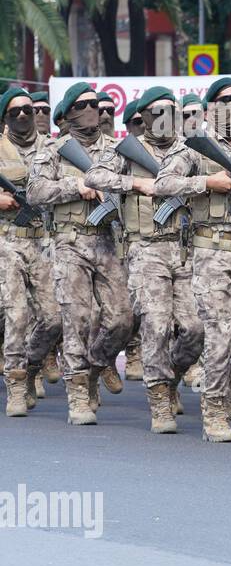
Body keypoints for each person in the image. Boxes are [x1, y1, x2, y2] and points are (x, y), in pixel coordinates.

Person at [153, 76, 231, 442]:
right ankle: (214, 412)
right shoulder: (193, 147)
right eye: (225, 99)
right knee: (219, 333)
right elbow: (162, 185)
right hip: (212, 251)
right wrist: (206, 184)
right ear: (209, 108)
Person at [84, 87, 204, 434]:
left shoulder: (189, 150)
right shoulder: (129, 151)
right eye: (158, 111)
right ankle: (157, 399)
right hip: (145, 249)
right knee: (156, 324)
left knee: (195, 329)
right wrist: (135, 183)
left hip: (183, 250)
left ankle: (172, 379)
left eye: (171, 110)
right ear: (146, 116)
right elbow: (94, 176)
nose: (165, 117)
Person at [26, 82, 133, 424]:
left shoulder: (118, 150)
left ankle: (95, 367)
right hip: (69, 243)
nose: (95, 111)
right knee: (77, 321)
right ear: (70, 113)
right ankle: (77, 398)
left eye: (98, 105)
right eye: (85, 105)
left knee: (122, 319)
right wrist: (77, 186)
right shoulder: (53, 151)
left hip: (106, 241)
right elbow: (36, 191)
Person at [0, 87, 61, 418]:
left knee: (53, 317)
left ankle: (32, 364)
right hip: (8, 241)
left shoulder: (52, 148)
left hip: (44, 241)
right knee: (17, 316)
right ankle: (16, 386)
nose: (24, 115)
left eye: (28, 109)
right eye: (15, 112)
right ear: (5, 119)